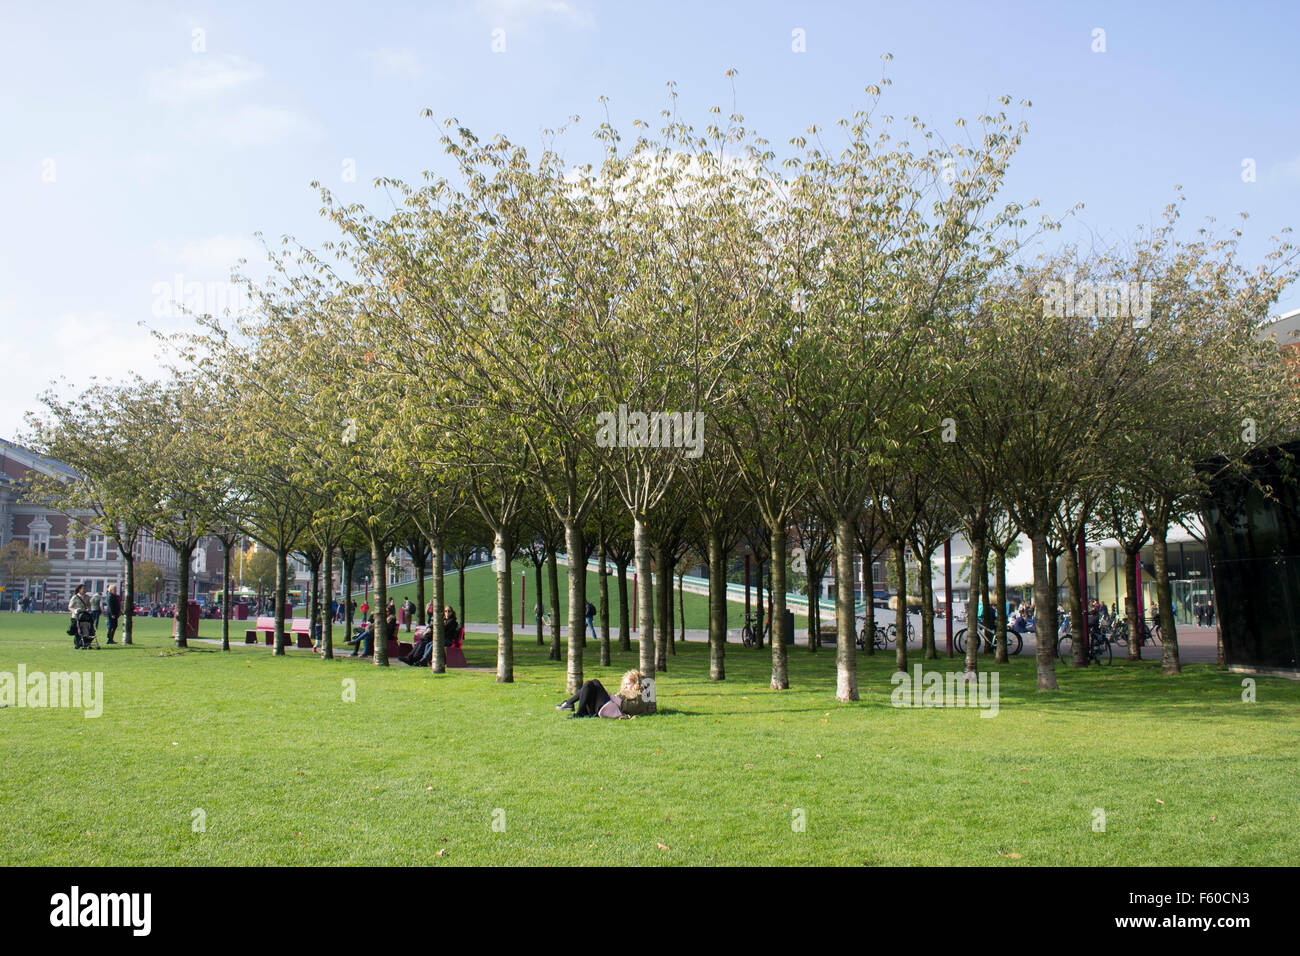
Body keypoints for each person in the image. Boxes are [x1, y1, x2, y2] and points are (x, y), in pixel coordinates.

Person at [556, 669, 648, 718]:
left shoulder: (638, 696)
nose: (625, 686)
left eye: (628, 684)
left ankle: (572, 707)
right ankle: (573, 706)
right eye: (624, 684)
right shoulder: (623, 693)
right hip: (603, 708)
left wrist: (609, 695)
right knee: (589, 684)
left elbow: (624, 705)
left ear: (636, 683)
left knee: (595, 682)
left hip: (610, 711)